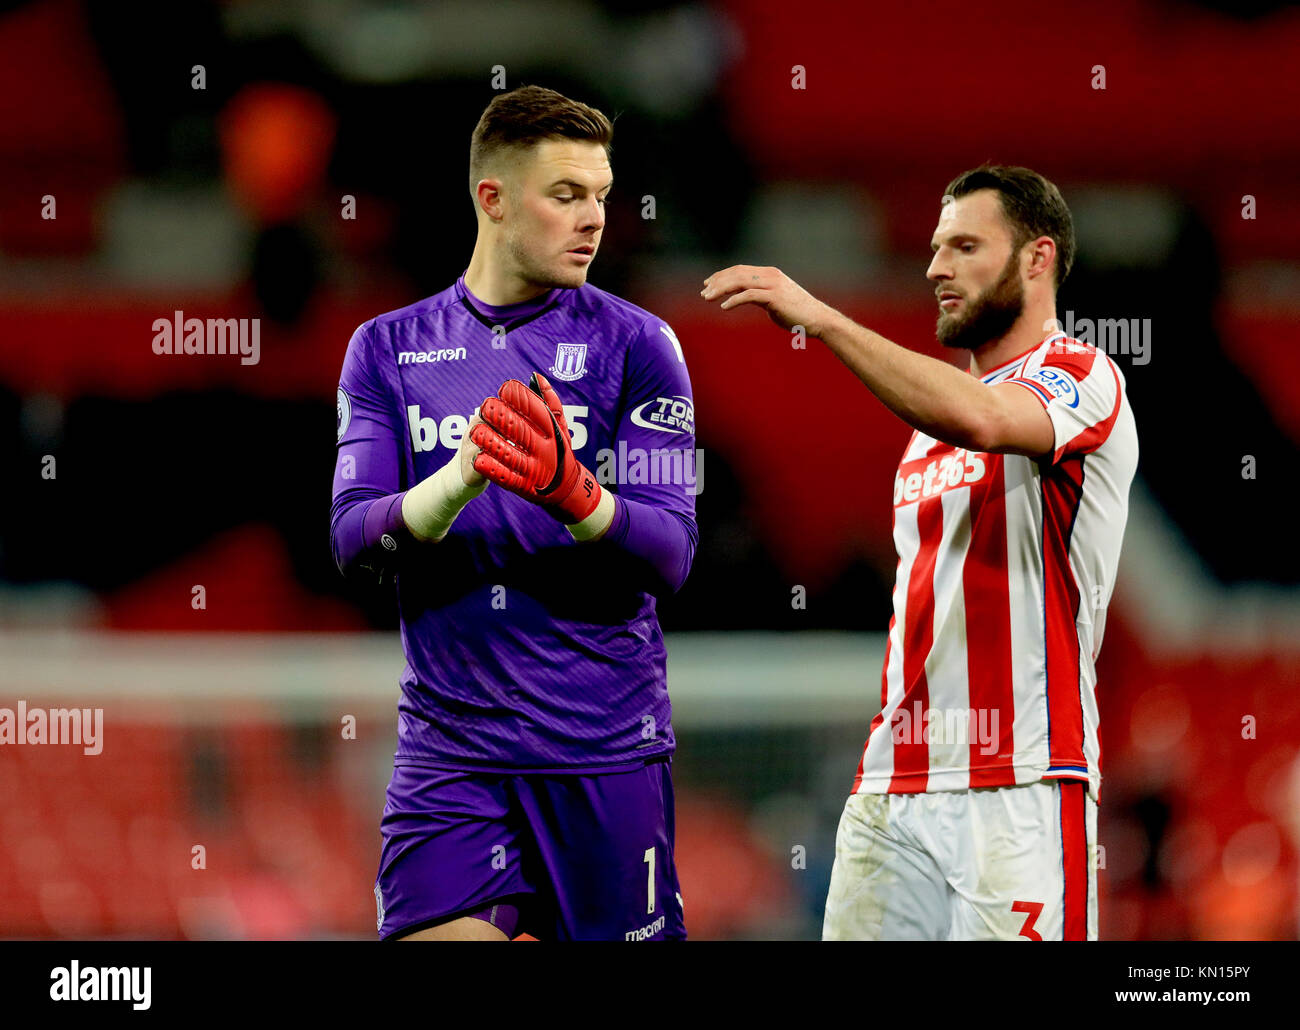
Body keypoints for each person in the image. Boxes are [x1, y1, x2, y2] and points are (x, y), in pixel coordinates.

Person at [702, 165, 1137, 940]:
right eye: (936, 247)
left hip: (1023, 780)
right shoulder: (924, 434)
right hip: (893, 785)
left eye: (966, 246)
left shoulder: (1082, 374)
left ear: (1037, 259)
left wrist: (822, 318)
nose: (936, 266)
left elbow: (985, 418)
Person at [331, 85, 697, 941]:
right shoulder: (387, 349)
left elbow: (672, 553)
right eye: (567, 195)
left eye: (602, 196)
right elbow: (354, 540)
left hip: (602, 752)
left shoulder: (639, 346)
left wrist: (575, 496)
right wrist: (461, 476)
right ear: (491, 198)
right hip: (451, 753)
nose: (595, 219)